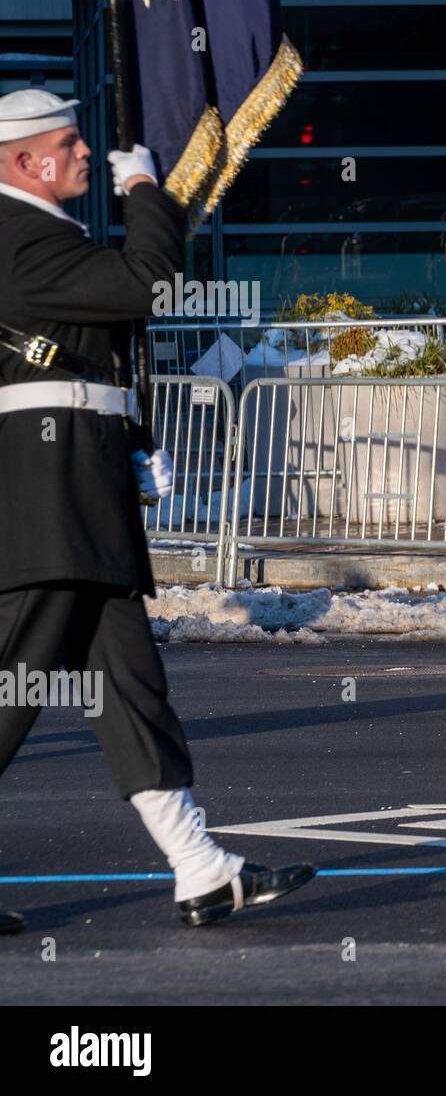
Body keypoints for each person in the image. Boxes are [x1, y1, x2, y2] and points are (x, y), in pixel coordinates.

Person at [0, 90, 315, 934]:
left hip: (81, 484)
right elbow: (150, 285)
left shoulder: (40, 235)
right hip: (49, 498)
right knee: (12, 688)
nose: (82, 156)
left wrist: (131, 431)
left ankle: (201, 868)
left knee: (129, 688)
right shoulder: (15, 234)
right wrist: (148, 192)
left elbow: (79, 351)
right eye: (67, 145)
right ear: (24, 161)